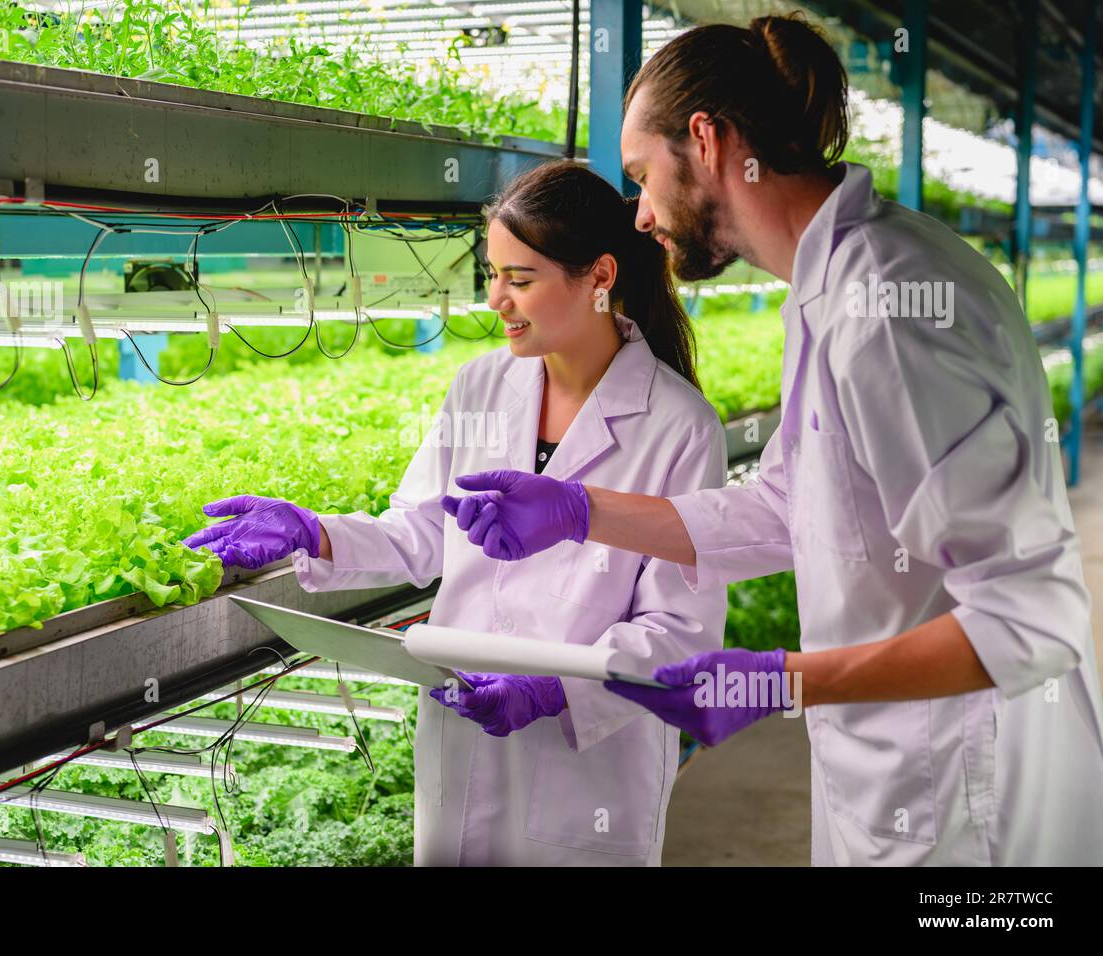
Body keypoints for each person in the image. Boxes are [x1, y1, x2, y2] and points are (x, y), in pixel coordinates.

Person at [441, 15, 1103, 866]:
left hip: (970, 801)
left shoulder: (887, 310)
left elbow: (1031, 617)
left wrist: (781, 680)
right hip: (897, 777)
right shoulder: (831, 287)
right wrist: (580, 510)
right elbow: (789, 507)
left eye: (643, 176)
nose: (638, 216)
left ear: (708, 142)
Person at [184, 160, 727, 865]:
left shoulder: (678, 428)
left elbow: (680, 634)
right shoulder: (481, 387)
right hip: (462, 730)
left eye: (520, 279)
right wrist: (315, 533)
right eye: (492, 274)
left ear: (598, 277)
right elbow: (424, 528)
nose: (496, 299)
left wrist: (554, 689)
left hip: (586, 769)